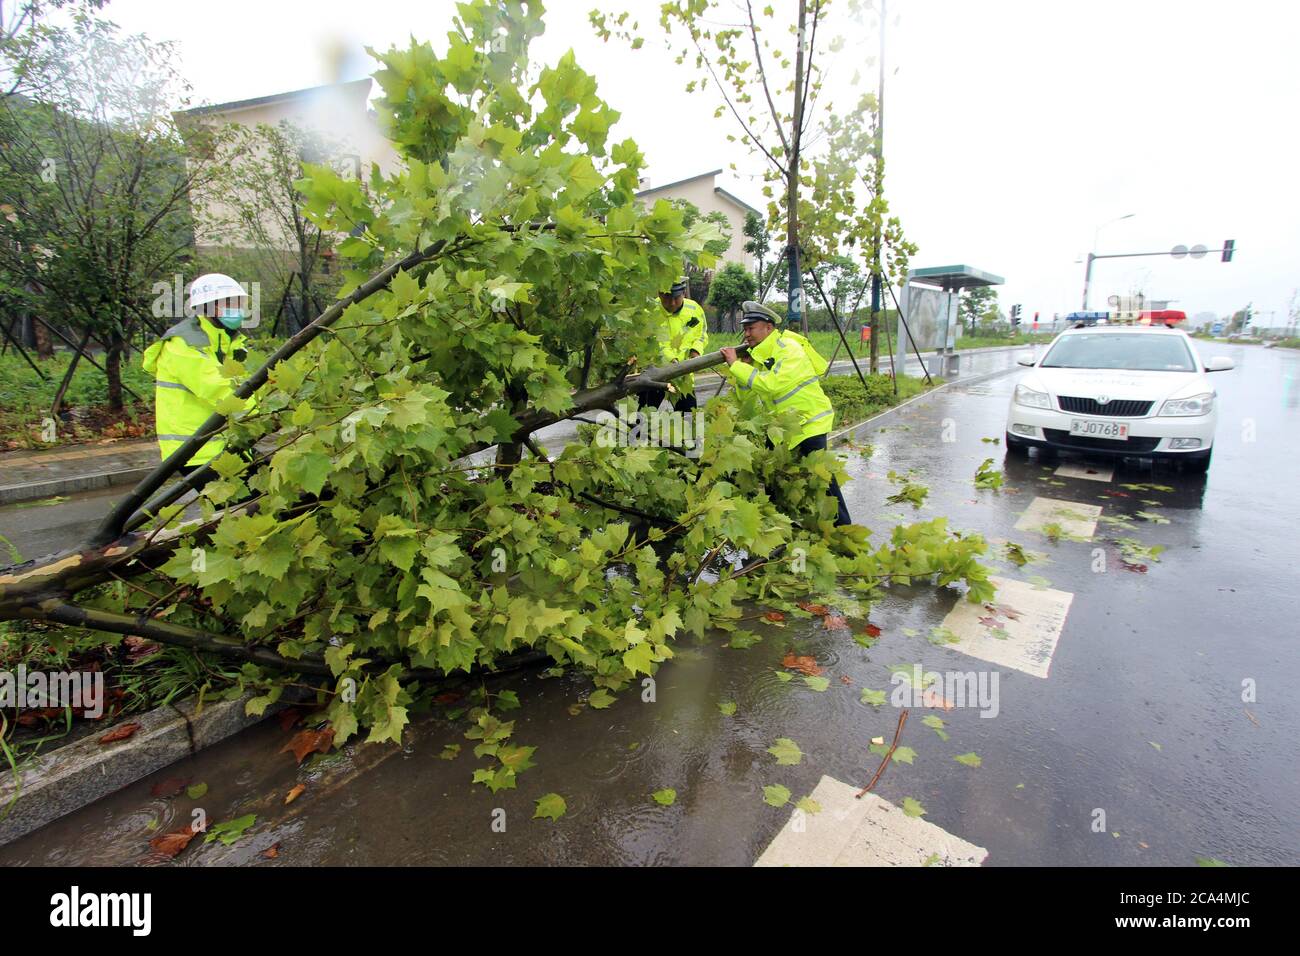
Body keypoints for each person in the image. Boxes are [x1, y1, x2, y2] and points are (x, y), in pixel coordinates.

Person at [719, 300, 852, 527]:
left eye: (751, 328)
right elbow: (748, 403)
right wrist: (743, 370)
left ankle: (843, 530)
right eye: (745, 329)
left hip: (809, 425)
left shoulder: (788, 348)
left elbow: (772, 385)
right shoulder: (759, 357)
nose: (746, 334)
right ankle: (779, 529)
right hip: (783, 430)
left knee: (823, 480)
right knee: (774, 480)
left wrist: (736, 366)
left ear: (768, 328)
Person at [141, 273, 256, 472]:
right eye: (229, 303)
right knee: (250, 499)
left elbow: (251, 382)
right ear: (209, 307)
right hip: (196, 450)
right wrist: (267, 412)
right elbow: (217, 389)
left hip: (226, 443)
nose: (237, 309)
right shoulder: (183, 344)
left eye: (239, 303)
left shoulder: (230, 342)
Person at [640, 278, 709, 412]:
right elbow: (652, 343)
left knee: (690, 419)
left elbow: (702, 334)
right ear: (659, 294)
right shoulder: (650, 311)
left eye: (676, 298)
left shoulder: (694, 309)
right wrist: (671, 359)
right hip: (656, 376)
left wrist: (696, 351)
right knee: (643, 420)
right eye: (667, 297)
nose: (672, 303)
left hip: (684, 377)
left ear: (684, 293)